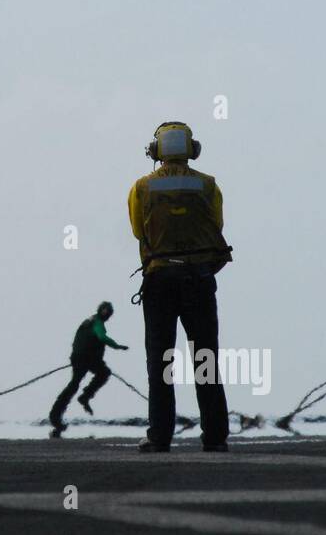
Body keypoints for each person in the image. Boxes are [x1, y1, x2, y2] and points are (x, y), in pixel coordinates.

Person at [128, 121, 232, 453]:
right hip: (199, 279)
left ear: (155, 151)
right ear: (192, 150)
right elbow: (216, 223)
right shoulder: (208, 186)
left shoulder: (142, 188)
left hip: (160, 280)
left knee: (160, 361)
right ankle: (215, 436)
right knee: (205, 357)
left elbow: (137, 231)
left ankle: (160, 435)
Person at [48, 302, 128, 437]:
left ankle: (56, 416)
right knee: (104, 373)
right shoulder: (97, 323)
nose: (107, 315)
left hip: (78, 358)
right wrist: (117, 346)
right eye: (107, 312)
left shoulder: (88, 321)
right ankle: (85, 396)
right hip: (88, 358)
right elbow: (101, 337)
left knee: (73, 385)